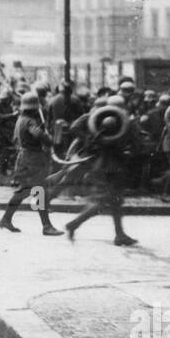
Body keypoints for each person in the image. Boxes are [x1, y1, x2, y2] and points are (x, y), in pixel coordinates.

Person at [58, 100, 138, 246]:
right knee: (103, 201)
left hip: (101, 165)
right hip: (113, 167)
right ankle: (74, 224)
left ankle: (120, 235)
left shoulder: (99, 125)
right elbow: (135, 144)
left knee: (115, 202)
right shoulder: (121, 125)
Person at [0, 92, 63, 236]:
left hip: (25, 158)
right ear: (34, 108)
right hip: (33, 160)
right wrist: (46, 135)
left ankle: (6, 219)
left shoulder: (21, 119)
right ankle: (46, 226)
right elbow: (41, 137)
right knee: (39, 192)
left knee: (24, 191)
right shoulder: (30, 122)